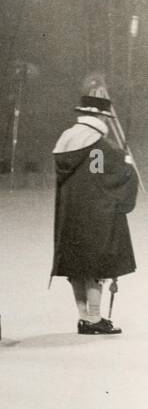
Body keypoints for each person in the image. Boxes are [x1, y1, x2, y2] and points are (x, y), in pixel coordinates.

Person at [51, 95, 137, 334]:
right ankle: (95, 317)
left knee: (76, 267)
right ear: (99, 117)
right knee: (96, 267)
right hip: (95, 215)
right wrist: (125, 161)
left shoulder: (66, 139)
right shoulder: (99, 145)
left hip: (69, 213)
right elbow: (110, 176)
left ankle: (83, 318)